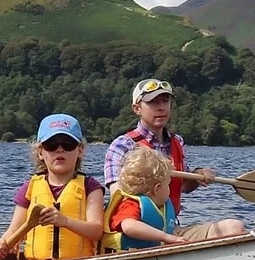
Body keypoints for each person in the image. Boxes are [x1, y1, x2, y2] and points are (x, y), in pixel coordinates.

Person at [104, 78, 246, 242]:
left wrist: (198, 176)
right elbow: (118, 195)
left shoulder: (176, 142)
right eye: (153, 102)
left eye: (165, 101)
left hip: (171, 228)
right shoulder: (122, 145)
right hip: (135, 231)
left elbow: (183, 186)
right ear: (137, 108)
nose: (161, 107)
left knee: (234, 228)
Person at [0, 113, 104, 260]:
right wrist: (1, 243)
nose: (60, 150)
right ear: (40, 152)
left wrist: (65, 221)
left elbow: (96, 231)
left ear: (80, 150)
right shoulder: (30, 187)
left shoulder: (91, 187)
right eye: (51, 145)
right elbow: (13, 231)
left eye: (68, 144)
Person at [101, 146, 187, 252]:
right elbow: (129, 226)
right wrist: (165, 237)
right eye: (168, 184)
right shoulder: (131, 204)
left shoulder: (160, 208)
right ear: (157, 188)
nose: (169, 188)